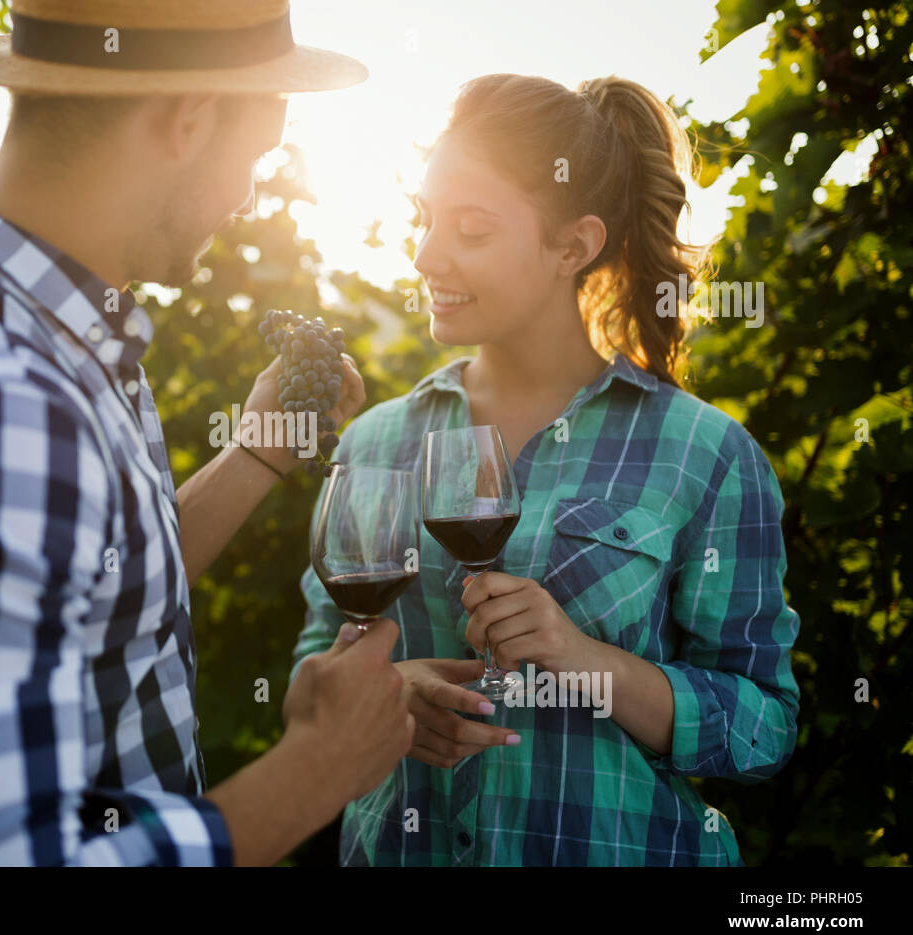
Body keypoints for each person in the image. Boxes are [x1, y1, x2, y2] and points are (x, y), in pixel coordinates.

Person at [0, 0, 415, 867]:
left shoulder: (51, 339)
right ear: (190, 119)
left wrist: (258, 448)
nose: (248, 196)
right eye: (258, 156)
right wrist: (319, 768)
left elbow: (99, 597)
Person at [292, 73, 801, 866]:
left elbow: (763, 730)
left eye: (471, 228)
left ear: (574, 245)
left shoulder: (704, 454)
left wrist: (590, 662)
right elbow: (311, 677)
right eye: (426, 220)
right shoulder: (375, 443)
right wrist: (389, 699)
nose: (427, 253)